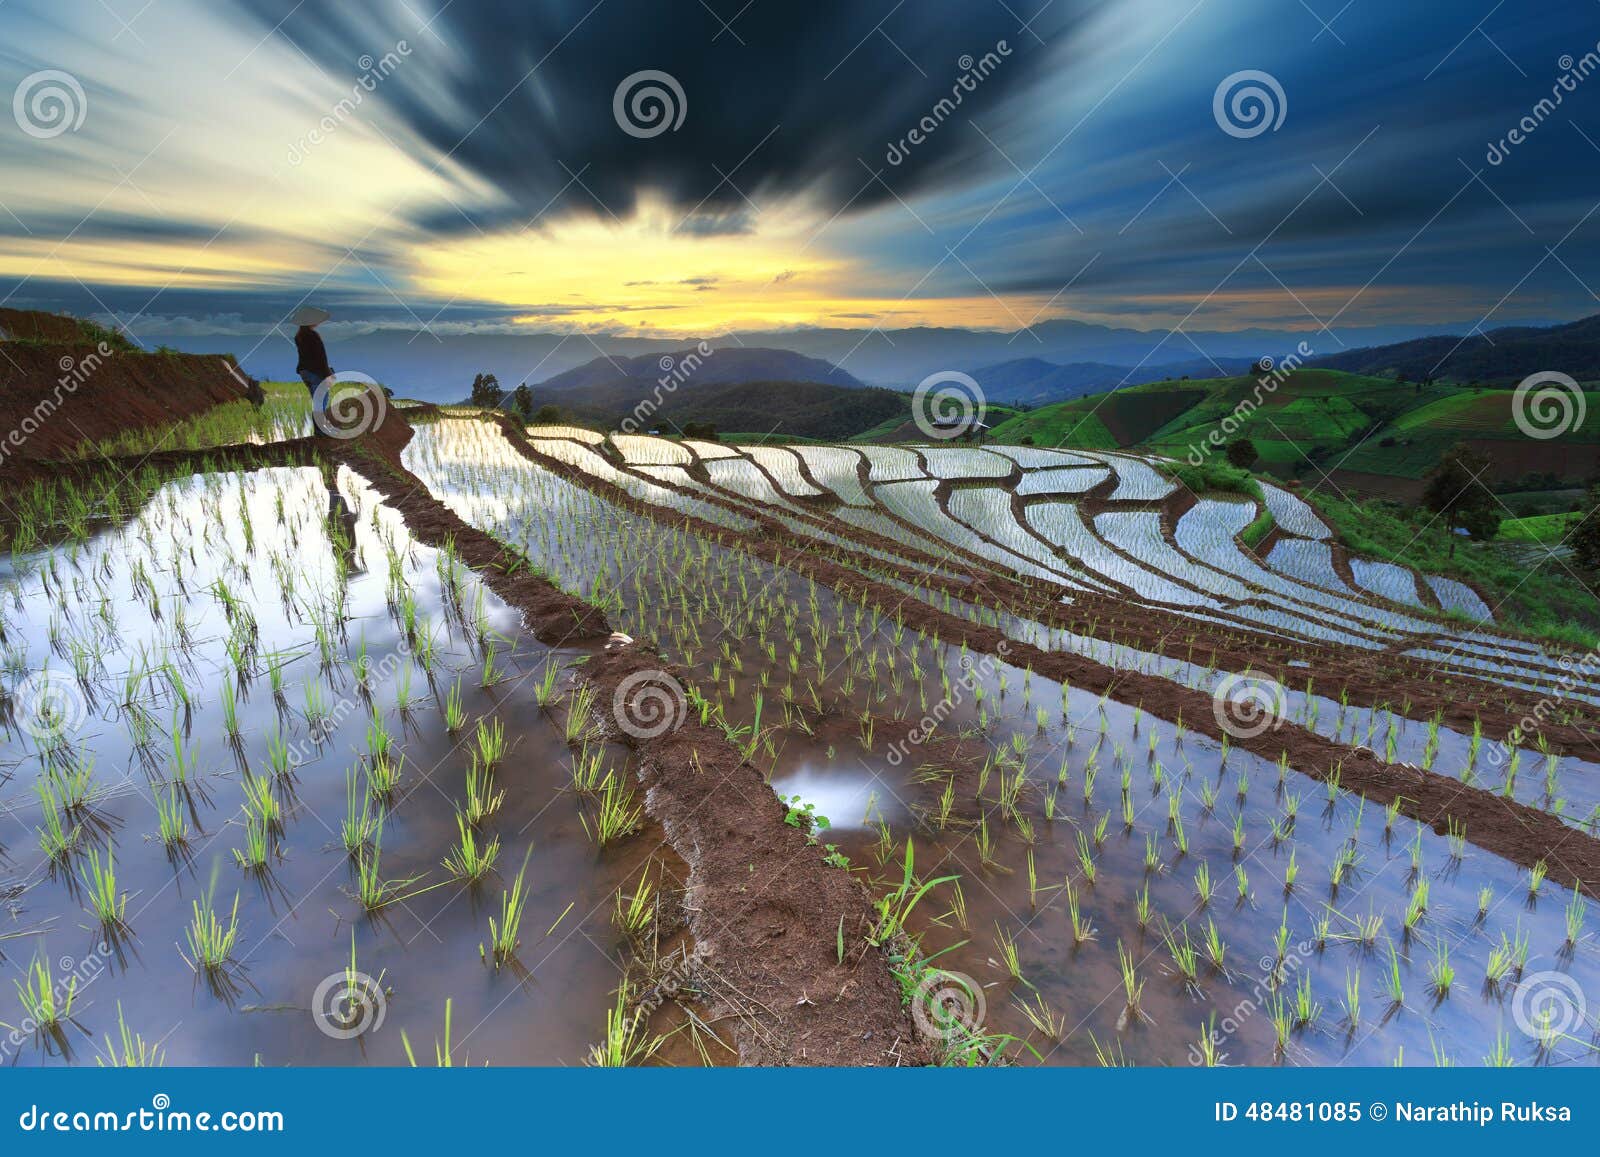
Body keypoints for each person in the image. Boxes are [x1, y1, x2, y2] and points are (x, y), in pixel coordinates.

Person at [291, 305, 333, 433]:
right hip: (315, 373)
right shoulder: (313, 336)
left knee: (318, 401)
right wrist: (328, 375)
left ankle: (319, 430)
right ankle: (320, 432)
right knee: (321, 401)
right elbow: (320, 358)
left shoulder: (299, 336)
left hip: (305, 372)